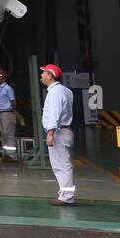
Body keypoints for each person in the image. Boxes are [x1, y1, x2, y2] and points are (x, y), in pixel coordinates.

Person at [40, 64, 75, 205]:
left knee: (61, 166)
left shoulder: (54, 93)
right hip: (65, 131)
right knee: (65, 164)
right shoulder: (66, 91)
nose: (41, 76)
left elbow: (54, 114)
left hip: (59, 133)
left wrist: (50, 133)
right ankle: (66, 194)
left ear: (50, 75)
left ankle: (66, 197)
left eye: (43, 73)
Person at [0, 69, 18, 161]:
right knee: (3, 134)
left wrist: (13, 111)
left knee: (9, 134)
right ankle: (7, 155)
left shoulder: (8, 88)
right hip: (0, 113)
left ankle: (12, 156)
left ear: (4, 78)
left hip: (7, 113)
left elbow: (13, 101)